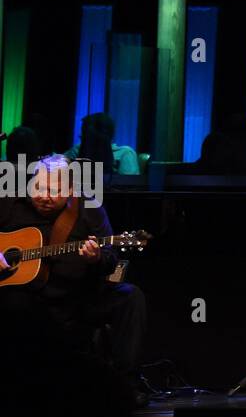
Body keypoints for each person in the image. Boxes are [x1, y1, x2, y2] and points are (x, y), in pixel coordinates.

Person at [0, 154, 147, 376]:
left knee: (130, 296)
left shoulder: (89, 208)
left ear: (70, 190)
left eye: (54, 191)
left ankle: (126, 383)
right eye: (38, 188)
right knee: (15, 305)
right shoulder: (11, 204)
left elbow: (113, 259)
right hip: (26, 298)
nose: (44, 196)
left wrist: (97, 258)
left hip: (76, 298)